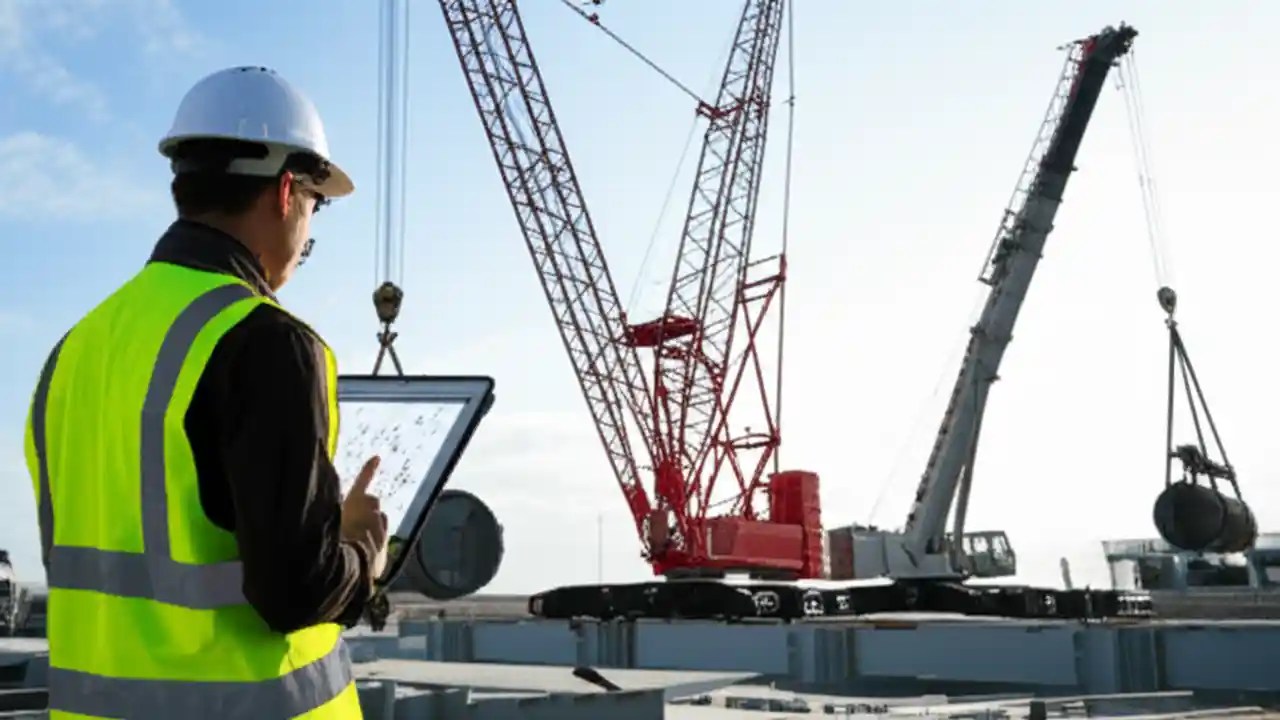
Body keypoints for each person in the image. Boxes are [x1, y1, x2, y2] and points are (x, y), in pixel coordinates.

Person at [23, 66, 388, 718]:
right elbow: (294, 590)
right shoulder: (266, 339)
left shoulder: (72, 352)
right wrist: (362, 550)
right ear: (284, 193)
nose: (308, 231)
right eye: (315, 203)